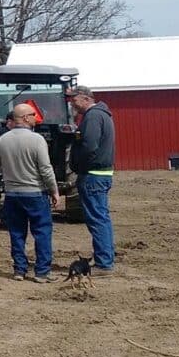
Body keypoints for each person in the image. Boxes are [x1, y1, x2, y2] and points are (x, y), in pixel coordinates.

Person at [0, 103, 60, 282]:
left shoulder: (3, 140)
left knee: (16, 232)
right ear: (25, 118)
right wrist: (54, 190)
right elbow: (45, 169)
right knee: (42, 232)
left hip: (12, 194)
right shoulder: (37, 140)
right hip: (35, 193)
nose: (35, 117)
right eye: (32, 114)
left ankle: (19, 270)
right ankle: (42, 272)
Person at [67, 85, 117, 275]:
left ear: (85, 98)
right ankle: (107, 257)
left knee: (97, 219)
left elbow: (89, 146)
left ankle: (104, 264)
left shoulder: (93, 116)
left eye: (74, 99)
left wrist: (78, 166)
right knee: (102, 218)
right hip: (101, 175)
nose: (72, 102)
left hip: (93, 175)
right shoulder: (102, 115)